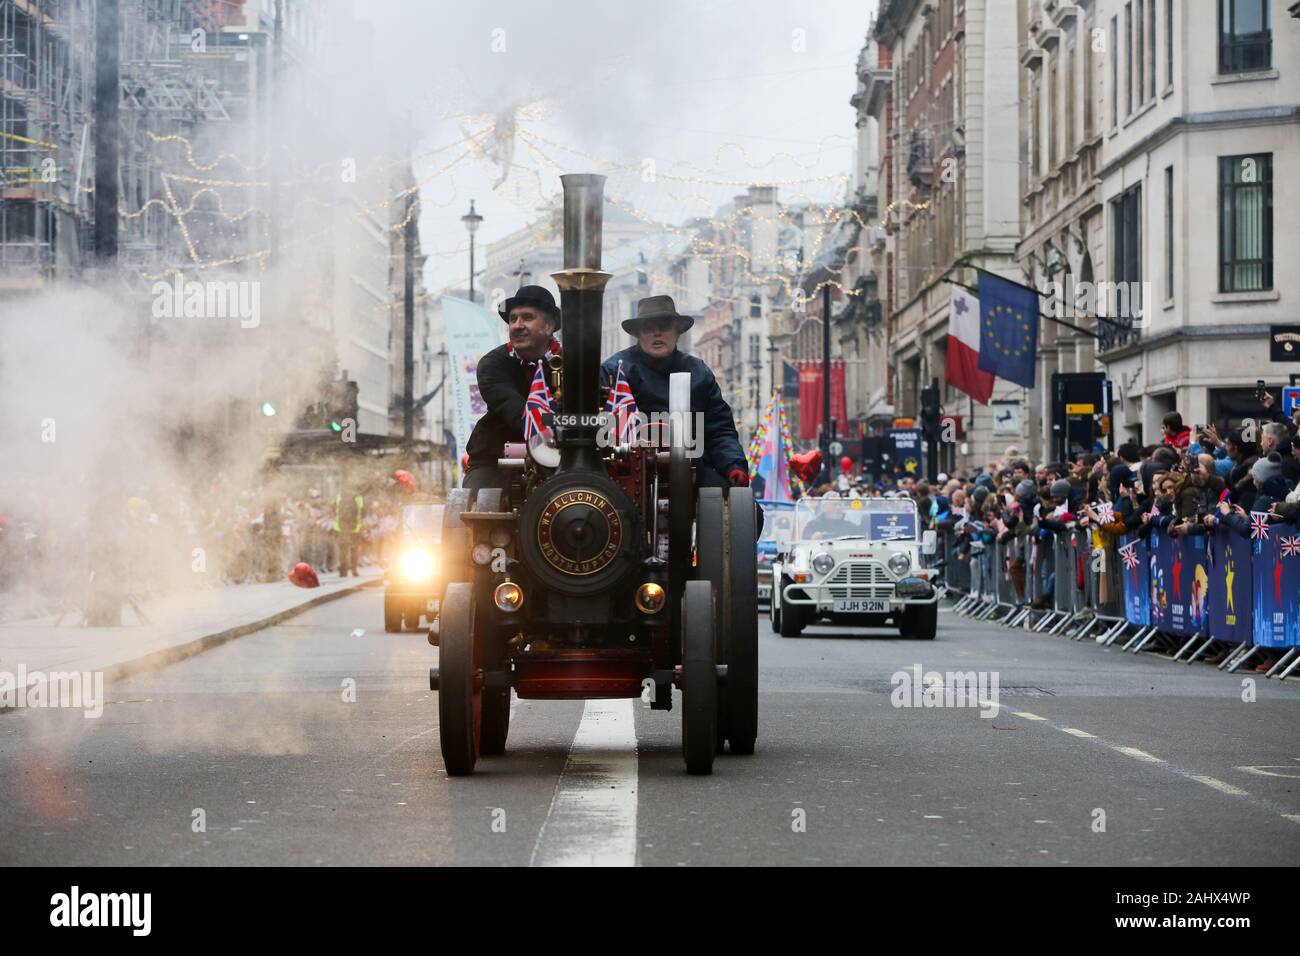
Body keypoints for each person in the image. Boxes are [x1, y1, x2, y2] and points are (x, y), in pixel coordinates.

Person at [600, 295, 748, 490]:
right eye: (648, 327)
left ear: (678, 332)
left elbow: (720, 429)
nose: (657, 333)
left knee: (747, 513)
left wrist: (733, 465)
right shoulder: (614, 371)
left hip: (693, 468)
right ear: (638, 334)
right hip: (627, 470)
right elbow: (599, 428)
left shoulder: (699, 372)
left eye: (664, 326)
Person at [463, 285, 562, 500]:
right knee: (475, 507)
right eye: (513, 319)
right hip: (496, 460)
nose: (517, 326)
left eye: (527, 318)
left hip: (564, 459)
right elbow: (517, 413)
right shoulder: (492, 364)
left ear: (549, 325)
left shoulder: (574, 363)